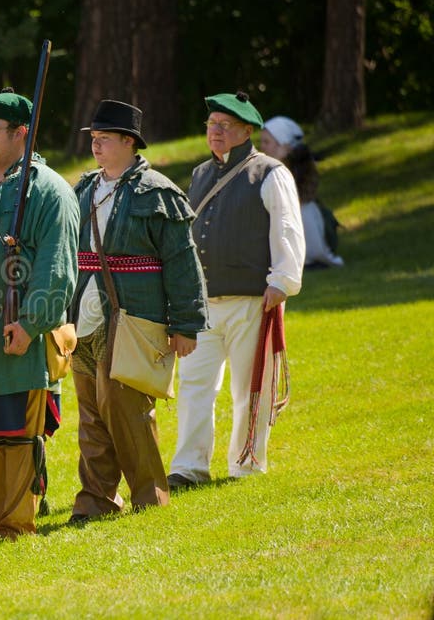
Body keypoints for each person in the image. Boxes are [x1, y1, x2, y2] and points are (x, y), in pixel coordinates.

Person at [66, 100, 207, 519]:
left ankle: (150, 496)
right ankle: (96, 500)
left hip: (133, 317)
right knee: (91, 416)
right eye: (93, 139)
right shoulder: (84, 188)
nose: (96, 146)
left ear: (129, 142)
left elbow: (183, 263)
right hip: (85, 317)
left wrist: (185, 325)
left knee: (125, 408)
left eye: (104, 139)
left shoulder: (159, 192)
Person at [0, 91, 79, 541]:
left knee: (18, 431)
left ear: (21, 133)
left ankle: (14, 525)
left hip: (17, 328)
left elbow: (56, 266)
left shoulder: (48, 189)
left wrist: (30, 323)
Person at [168, 92, 305, 488]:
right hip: (203, 303)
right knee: (195, 385)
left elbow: (287, 228)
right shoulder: (198, 175)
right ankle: (188, 467)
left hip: (252, 299)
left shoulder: (270, 172)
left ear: (246, 131)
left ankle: (246, 464)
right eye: (211, 124)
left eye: (225, 125)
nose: (216, 132)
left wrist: (281, 281)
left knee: (250, 386)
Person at [261, 116, 343, 268]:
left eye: (267, 142)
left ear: (283, 146)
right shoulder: (261, 167)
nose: (262, 147)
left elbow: (295, 197)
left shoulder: (301, 168)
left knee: (303, 211)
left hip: (302, 220)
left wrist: (280, 162)